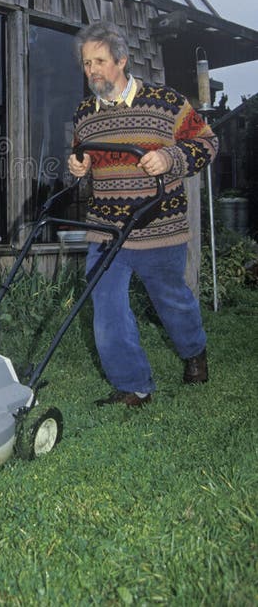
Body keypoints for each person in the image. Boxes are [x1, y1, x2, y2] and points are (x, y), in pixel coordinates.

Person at [67, 21, 218, 407]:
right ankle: (133, 386)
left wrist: (170, 156)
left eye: (99, 61)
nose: (92, 71)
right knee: (107, 306)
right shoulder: (84, 113)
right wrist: (79, 165)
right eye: (87, 63)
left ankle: (194, 352)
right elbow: (84, 155)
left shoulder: (166, 102)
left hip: (159, 225)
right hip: (107, 229)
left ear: (122, 60)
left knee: (172, 301)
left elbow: (207, 142)